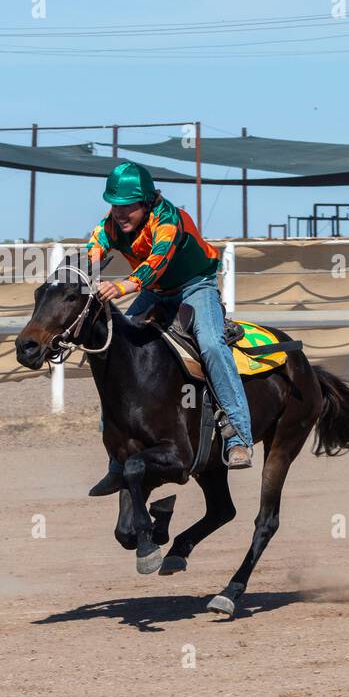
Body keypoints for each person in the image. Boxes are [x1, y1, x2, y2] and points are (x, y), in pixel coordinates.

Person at [85, 162, 253, 497]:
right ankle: (118, 460)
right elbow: (94, 247)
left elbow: (158, 260)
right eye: (115, 205)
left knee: (210, 344)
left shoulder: (168, 221)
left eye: (128, 206)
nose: (120, 213)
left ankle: (238, 436)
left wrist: (122, 287)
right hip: (156, 292)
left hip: (195, 287)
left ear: (146, 203)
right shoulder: (111, 224)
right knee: (120, 346)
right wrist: (86, 271)